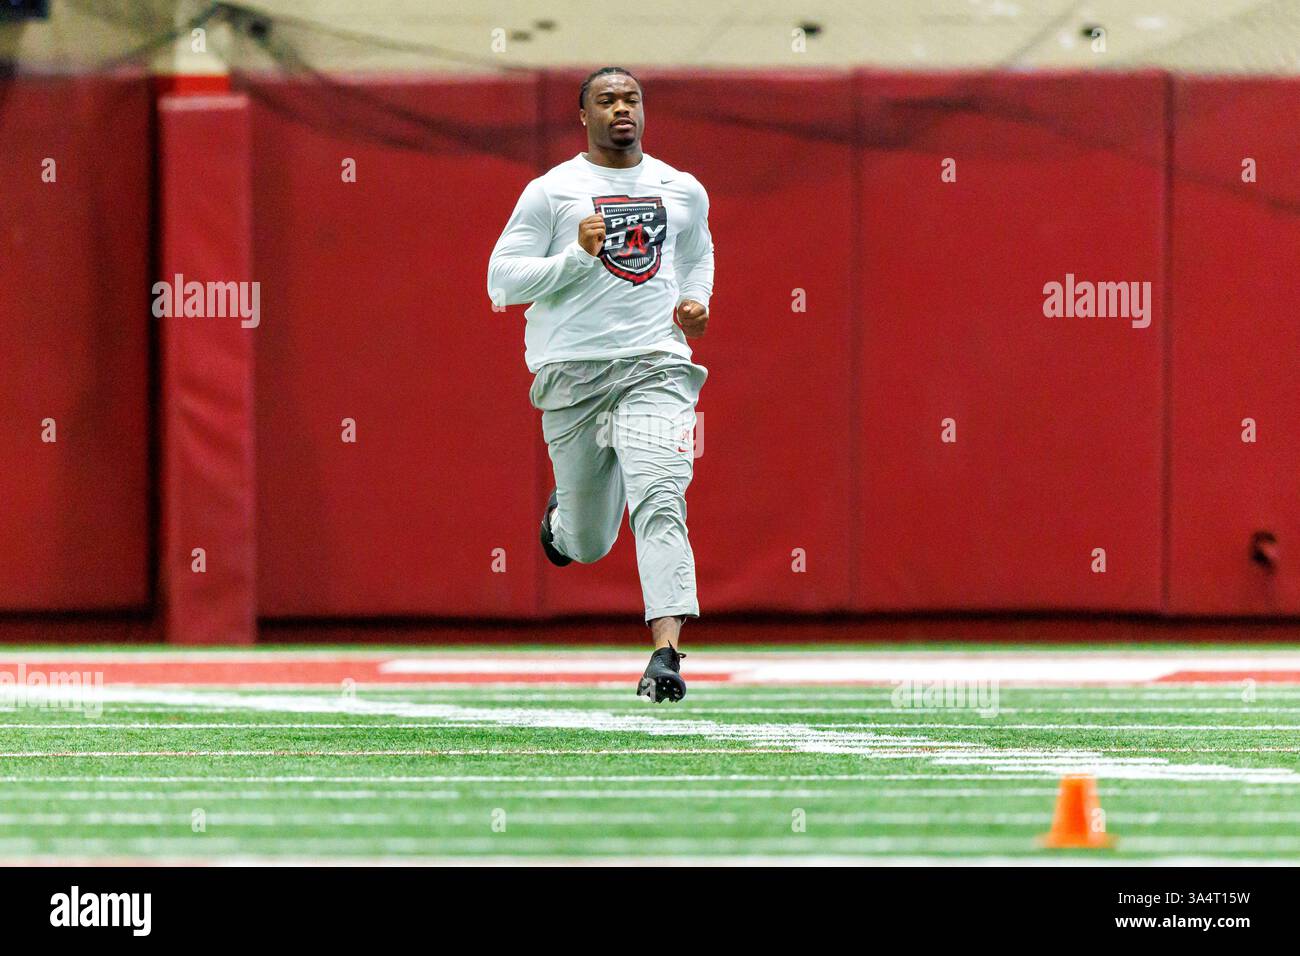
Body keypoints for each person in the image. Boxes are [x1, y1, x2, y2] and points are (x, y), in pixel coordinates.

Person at [487, 66, 714, 702]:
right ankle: (563, 524)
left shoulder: (681, 188)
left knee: (660, 495)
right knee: (588, 544)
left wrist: (695, 300)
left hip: (655, 366)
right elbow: (500, 280)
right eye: (607, 100)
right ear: (583, 116)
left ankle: (666, 652)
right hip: (573, 374)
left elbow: (697, 253)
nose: (623, 108)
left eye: (632, 98)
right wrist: (575, 258)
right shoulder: (552, 192)